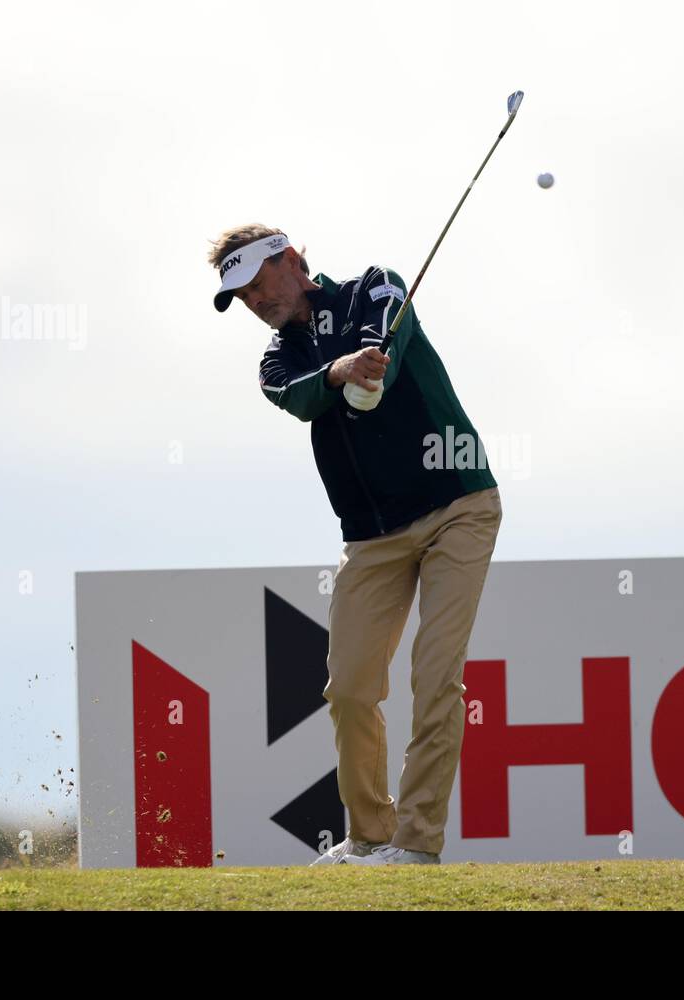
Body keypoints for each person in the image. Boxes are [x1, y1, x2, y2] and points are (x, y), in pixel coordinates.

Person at [208, 224, 502, 865]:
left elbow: (384, 351)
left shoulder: (377, 285)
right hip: (371, 536)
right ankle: (370, 837)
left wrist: (370, 366)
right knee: (349, 687)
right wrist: (341, 372)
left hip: (459, 505)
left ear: (290, 260)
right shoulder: (276, 360)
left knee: (434, 677)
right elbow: (300, 396)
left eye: (258, 283)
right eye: (242, 297)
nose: (256, 302)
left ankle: (417, 844)